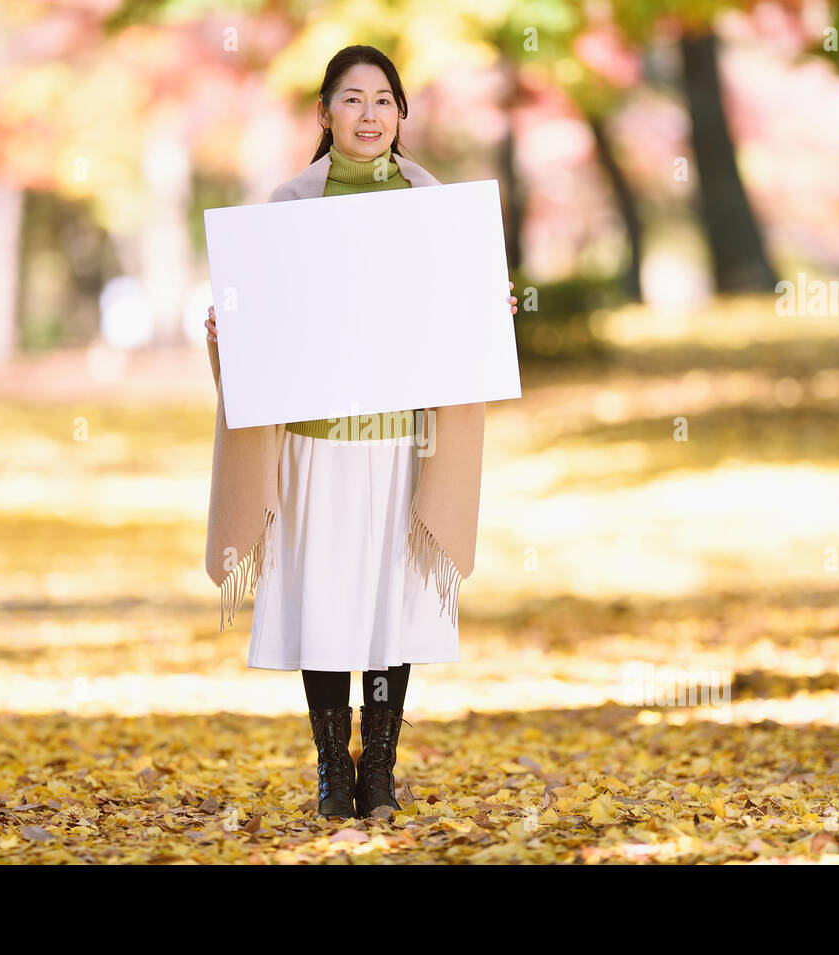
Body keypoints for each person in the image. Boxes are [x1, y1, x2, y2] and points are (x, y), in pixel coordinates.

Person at [203, 44, 517, 819]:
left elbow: (454, 314)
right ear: (324, 114)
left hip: (400, 442)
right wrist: (227, 329)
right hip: (315, 444)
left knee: (389, 605)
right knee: (323, 601)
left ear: (402, 114)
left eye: (383, 99)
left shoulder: (432, 202)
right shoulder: (290, 205)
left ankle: (379, 765)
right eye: (352, 99)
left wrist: (490, 309)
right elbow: (261, 321)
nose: (369, 114)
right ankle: (329, 767)